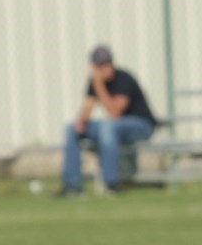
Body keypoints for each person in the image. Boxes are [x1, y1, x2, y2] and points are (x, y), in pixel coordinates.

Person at [59, 45, 156, 197]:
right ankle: (73, 185)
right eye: (99, 65)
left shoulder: (124, 78)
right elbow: (88, 107)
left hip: (141, 125)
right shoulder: (95, 82)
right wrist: (81, 122)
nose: (104, 69)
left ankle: (111, 183)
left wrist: (99, 86)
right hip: (113, 128)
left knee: (107, 127)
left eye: (106, 64)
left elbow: (115, 112)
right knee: (71, 129)